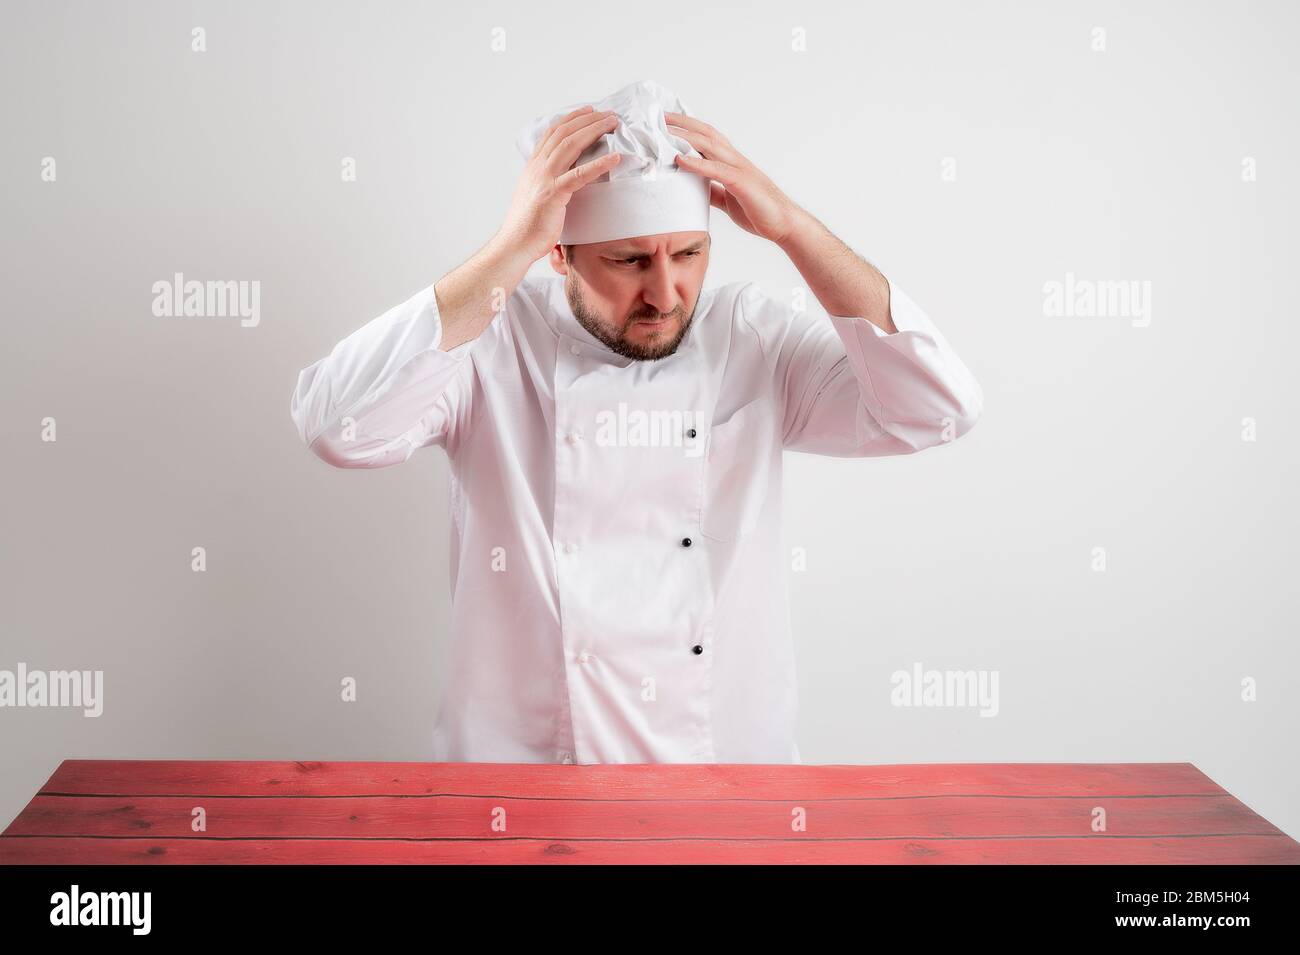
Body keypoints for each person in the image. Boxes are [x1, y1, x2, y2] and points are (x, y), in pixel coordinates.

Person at [289, 79, 983, 764]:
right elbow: (337, 427)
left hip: (727, 789)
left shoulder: (750, 337)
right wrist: (504, 251)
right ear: (556, 251)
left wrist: (795, 230)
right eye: (628, 260)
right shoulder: (493, 343)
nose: (665, 292)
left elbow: (939, 409)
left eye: (688, 254)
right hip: (522, 786)